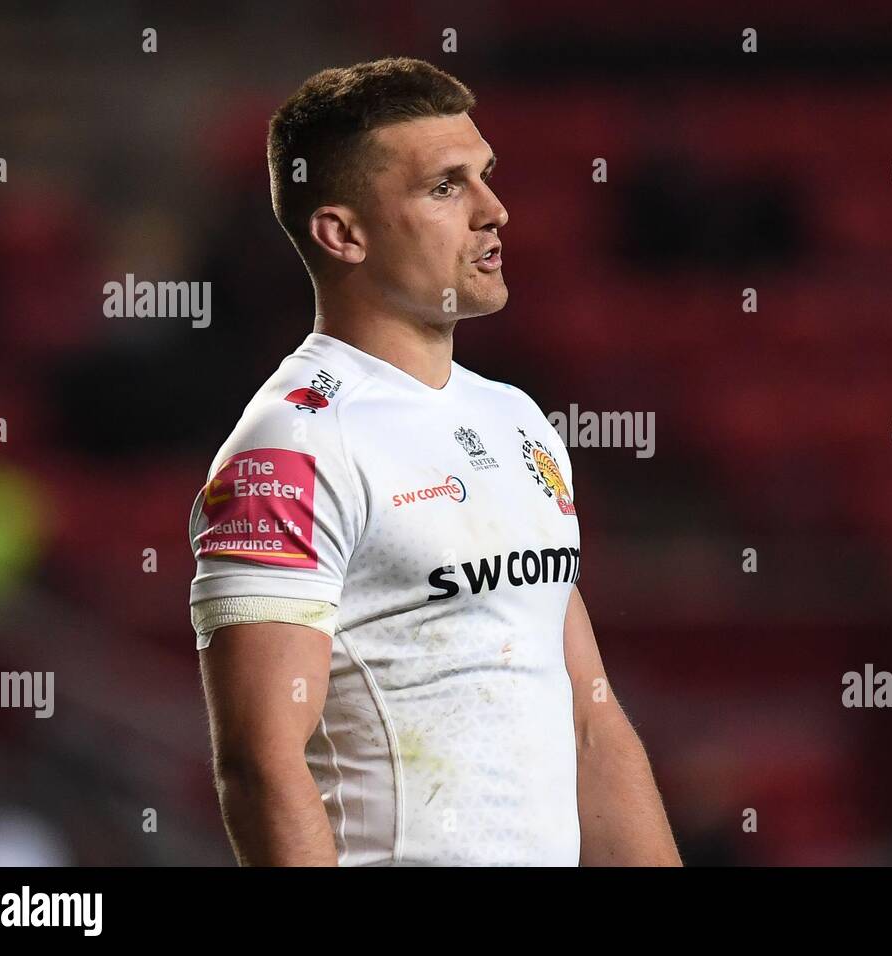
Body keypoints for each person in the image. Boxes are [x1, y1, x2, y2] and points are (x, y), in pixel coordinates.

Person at [187, 57, 681, 866]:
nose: (495, 211)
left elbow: (589, 722)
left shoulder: (516, 418)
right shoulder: (291, 446)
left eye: (485, 177)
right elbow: (260, 764)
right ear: (343, 233)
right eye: (446, 188)